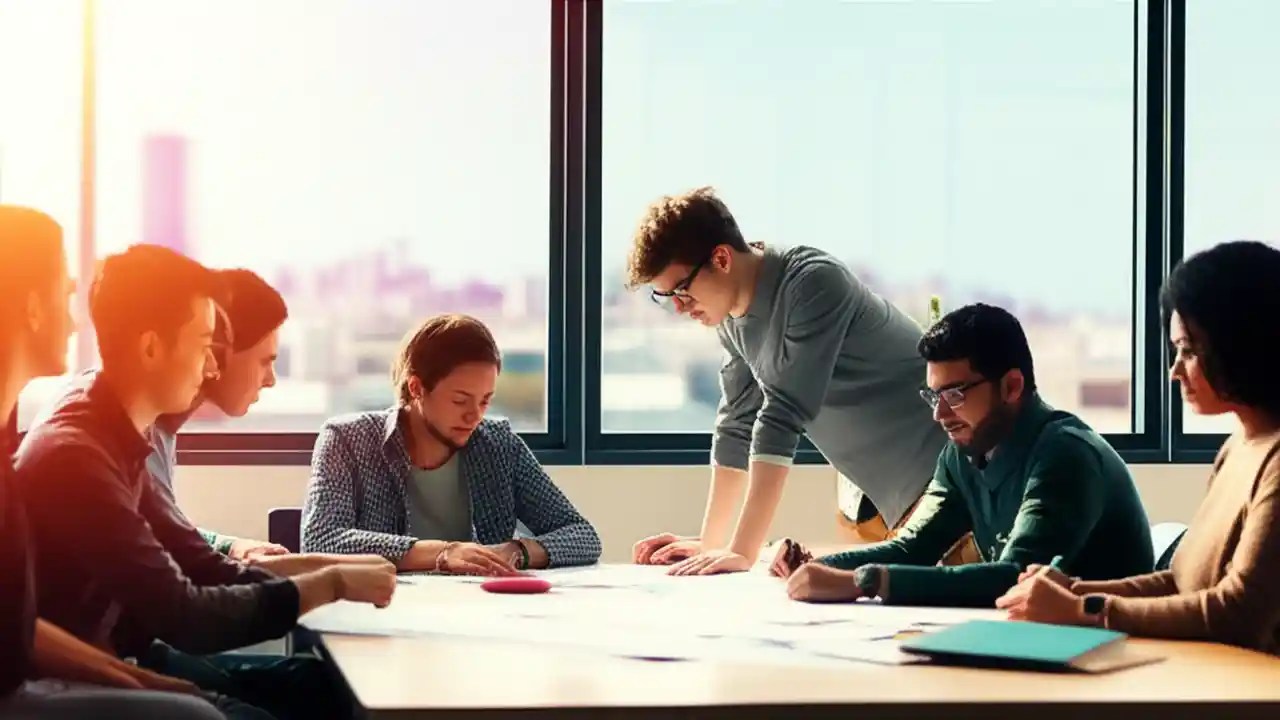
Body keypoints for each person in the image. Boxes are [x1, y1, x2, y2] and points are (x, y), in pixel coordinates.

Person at [14, 244, 398, 719]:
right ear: (152, 347)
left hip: (124, 654)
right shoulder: (78, 455)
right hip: (77, 675)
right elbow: (185, 614)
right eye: (204, 344)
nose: (212, 365)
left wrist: (333, 575)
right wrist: (331, 583)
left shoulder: (119, 432)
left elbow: (199, 563)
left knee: (316, 685)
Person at [626, 187, 947, 575]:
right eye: (666, 297)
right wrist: (712, 544)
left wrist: (741, 552)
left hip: (948, 478)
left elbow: (781, 415)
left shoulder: (812, 282)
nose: (678, 307)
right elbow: (736, 423)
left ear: (722, 258)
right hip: (890, 502)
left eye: (681, 290)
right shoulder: (731, 319)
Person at [998, 241, 1280, 653]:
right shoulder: (1238, 445)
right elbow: (1180, 582)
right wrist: (1074, 589)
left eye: (1187, 350)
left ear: (1241, 343)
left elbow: (1238, 613)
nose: (1174, 371)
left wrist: (1083, 610)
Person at [771, 304, 1153, 606]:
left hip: (1106, 665)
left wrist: (864, 582)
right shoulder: (963, 452)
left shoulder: (1066, 455)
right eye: (933, 396)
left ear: (1012, 386)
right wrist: (816, 567)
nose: (940, 414)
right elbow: (913, 548)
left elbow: (1011, 576)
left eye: (954, 395)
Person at [0, 206, 225, 719]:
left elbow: (19, 625)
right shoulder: (73, 450)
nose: (75, 317)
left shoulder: (10, 431)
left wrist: (135, 679)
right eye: (65, 294)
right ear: (33, 309)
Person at [302, 313, 601, 573]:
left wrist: (515, 552)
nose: (474, 416)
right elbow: (320, 540)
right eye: (460, 400)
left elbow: (583, 536)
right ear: (416, 387)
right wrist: (444, 553)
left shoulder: (500, 446)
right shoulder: (346, 441)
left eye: (486, 401)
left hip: (483, 615)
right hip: (383, 612)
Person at [148, 269, 291, 560]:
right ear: (223, 349)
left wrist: (233, 547)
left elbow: (163, 530)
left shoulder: (162, 428)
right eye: (265, 362)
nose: (271, 380)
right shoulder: (136, 427)